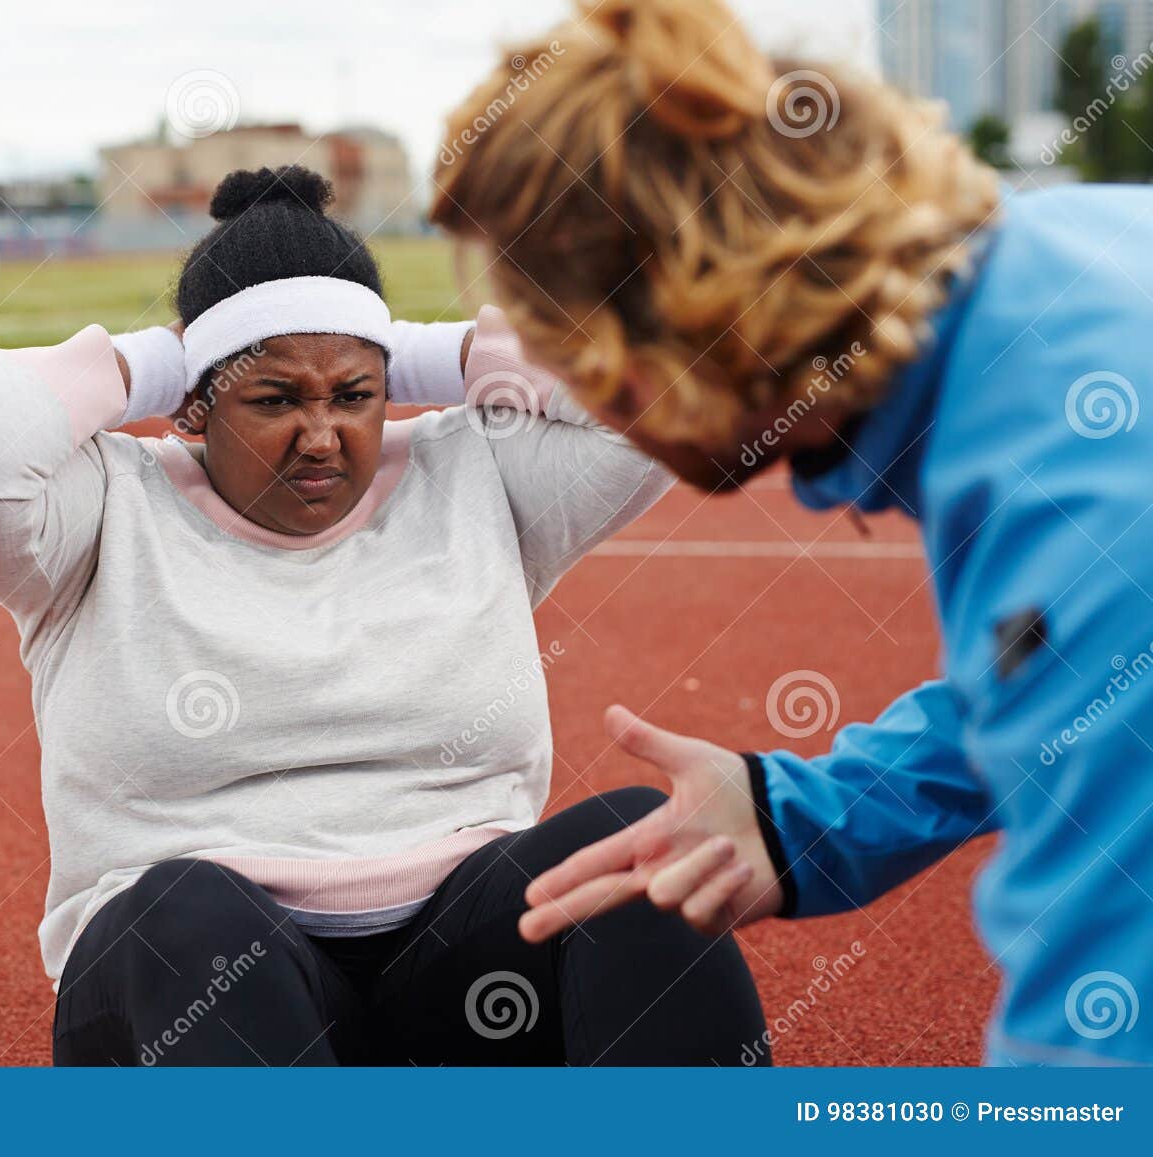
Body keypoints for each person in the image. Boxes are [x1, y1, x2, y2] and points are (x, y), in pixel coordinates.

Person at [0, 164, 767, 1065]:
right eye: (274, 397)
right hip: (194, 979)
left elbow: (683, 390)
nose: (323, 435)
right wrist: (150, 361)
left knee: (634, 851)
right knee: (187, 910)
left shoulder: (476, 473)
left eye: (353, 394)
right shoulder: (102, 509)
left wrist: (432, 352)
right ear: (192, 403)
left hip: (458, 982)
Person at [429, 0, 1153, 1066]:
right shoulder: (1047, 271)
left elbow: (1098, 1064)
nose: (586, 402)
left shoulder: (1078, 489)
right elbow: (1069, 677)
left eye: (576, 357)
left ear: (684, 306)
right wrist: (799, 817)